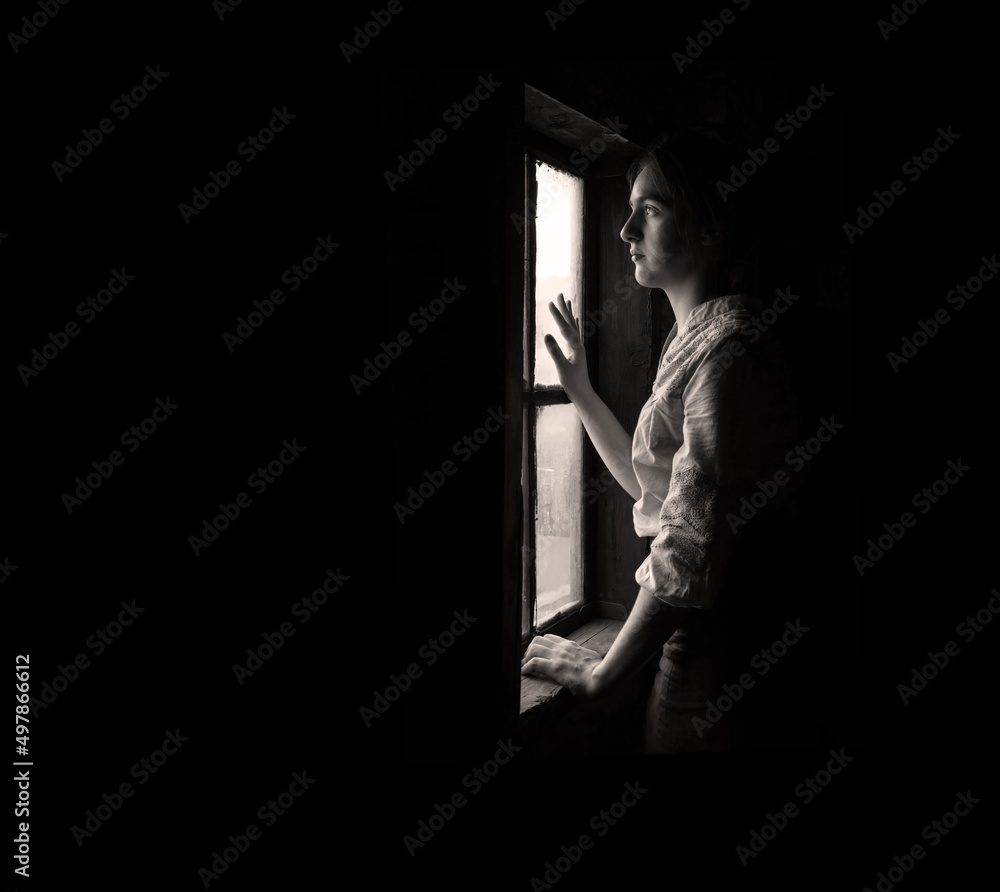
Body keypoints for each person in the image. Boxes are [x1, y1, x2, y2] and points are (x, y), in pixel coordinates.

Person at [520, 133, 799, 753]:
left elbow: (689, 541)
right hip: (695, 642)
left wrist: (600, 674)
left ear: (709, 226)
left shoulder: (728, 353)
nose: (624, 230)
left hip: (709, 653)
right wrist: (582, 391)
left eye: (650, 208)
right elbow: (666, 491)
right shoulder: (700, 339)